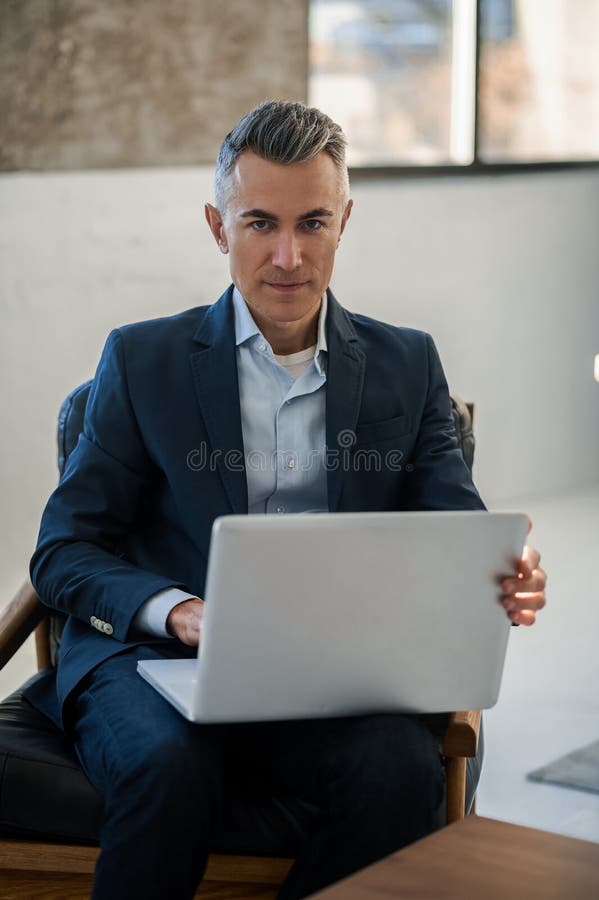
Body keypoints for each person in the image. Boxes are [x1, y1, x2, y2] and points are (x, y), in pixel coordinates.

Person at [28, 101, 547, 900]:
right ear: (216, 226)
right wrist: (178, 611)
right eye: (259, 223)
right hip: (153, 662)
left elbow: (456, 528)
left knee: (399, 770)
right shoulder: (141, 360)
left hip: (327, 668)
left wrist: (499, 573)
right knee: (168, 768)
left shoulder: (407, 364)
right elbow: (64, 550)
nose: (287, 256)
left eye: (312, 223)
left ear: (345, 220)